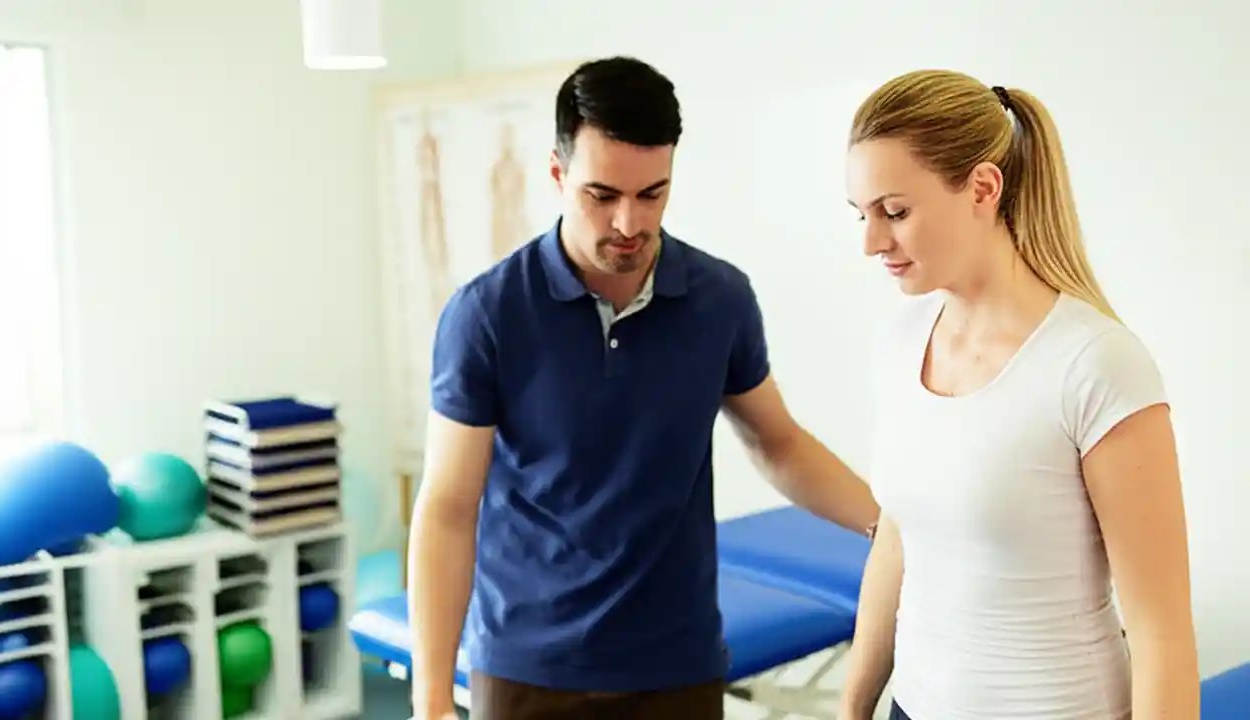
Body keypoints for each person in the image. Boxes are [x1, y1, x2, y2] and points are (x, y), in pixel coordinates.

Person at [406, 55, 880, 720]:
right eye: (602, 196)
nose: (629, 223)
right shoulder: (487, 314)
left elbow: (779, 444)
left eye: (651, 194)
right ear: (557, 174)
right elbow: (449, 508)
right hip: (529, 669)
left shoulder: (720, 299)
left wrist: (889, 528)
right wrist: (430, 700)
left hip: (676, 663)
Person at [840, 69, 1200, 719]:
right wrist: (853, 706)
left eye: (894, 212)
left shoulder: (1096, 366)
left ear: (983, 187)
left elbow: (1162, 636)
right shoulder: (900, 342)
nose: (871, 242)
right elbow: (898, 540)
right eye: (861, 215)